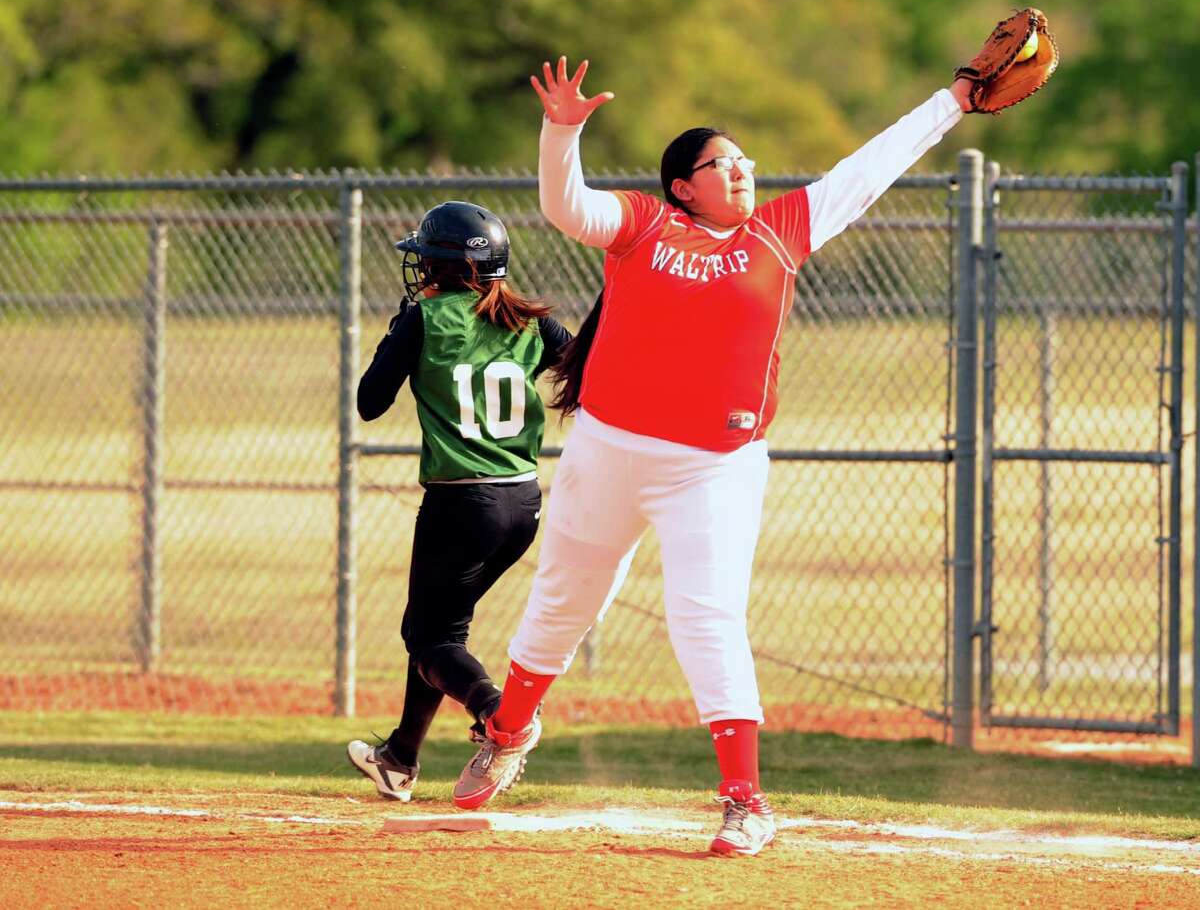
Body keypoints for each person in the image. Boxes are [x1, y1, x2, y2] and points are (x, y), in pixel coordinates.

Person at [452, 55, 980, 855]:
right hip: (609, 447)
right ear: (682, 187)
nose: (742, 172)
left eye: (745, 163)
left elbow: (869, 169)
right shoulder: (644, 226)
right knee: (562, 603)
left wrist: (954, 102)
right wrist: (562, 132)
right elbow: (567, 209)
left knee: (705, 617)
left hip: (713, 464)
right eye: (721, 164)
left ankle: (745, 801)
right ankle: (511, 729)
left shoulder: (782, 230)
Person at [347, 200, 571, 803]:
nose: (417, 267)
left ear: (443, 264)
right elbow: (585, 371)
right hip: (521, 502)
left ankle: (503, 717)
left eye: (424, 256)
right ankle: (400, 758)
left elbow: (369, 402)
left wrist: (401, 332)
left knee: (434, 639)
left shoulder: (427, 318)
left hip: (459, 502)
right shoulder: (530, 321)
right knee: (430, 631)